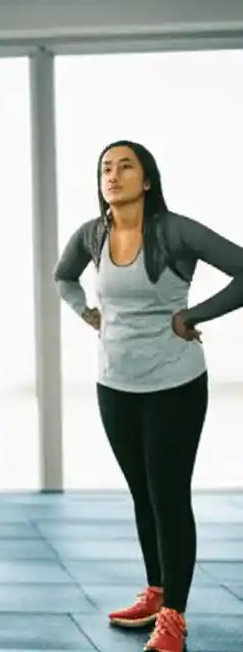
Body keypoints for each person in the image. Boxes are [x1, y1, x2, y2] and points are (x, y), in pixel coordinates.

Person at [54, 140, 243, 652]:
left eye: (125, 166)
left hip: (174, 384)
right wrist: (86, 312)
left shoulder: (175, 230)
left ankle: (174, 618)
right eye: (105, 169)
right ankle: (158, 592)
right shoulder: (94, 234)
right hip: (115, 383)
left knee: (169, 495)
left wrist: (193, 316)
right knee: (142, 492)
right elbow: (63, 276)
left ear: (148, 179)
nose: (112, 176)